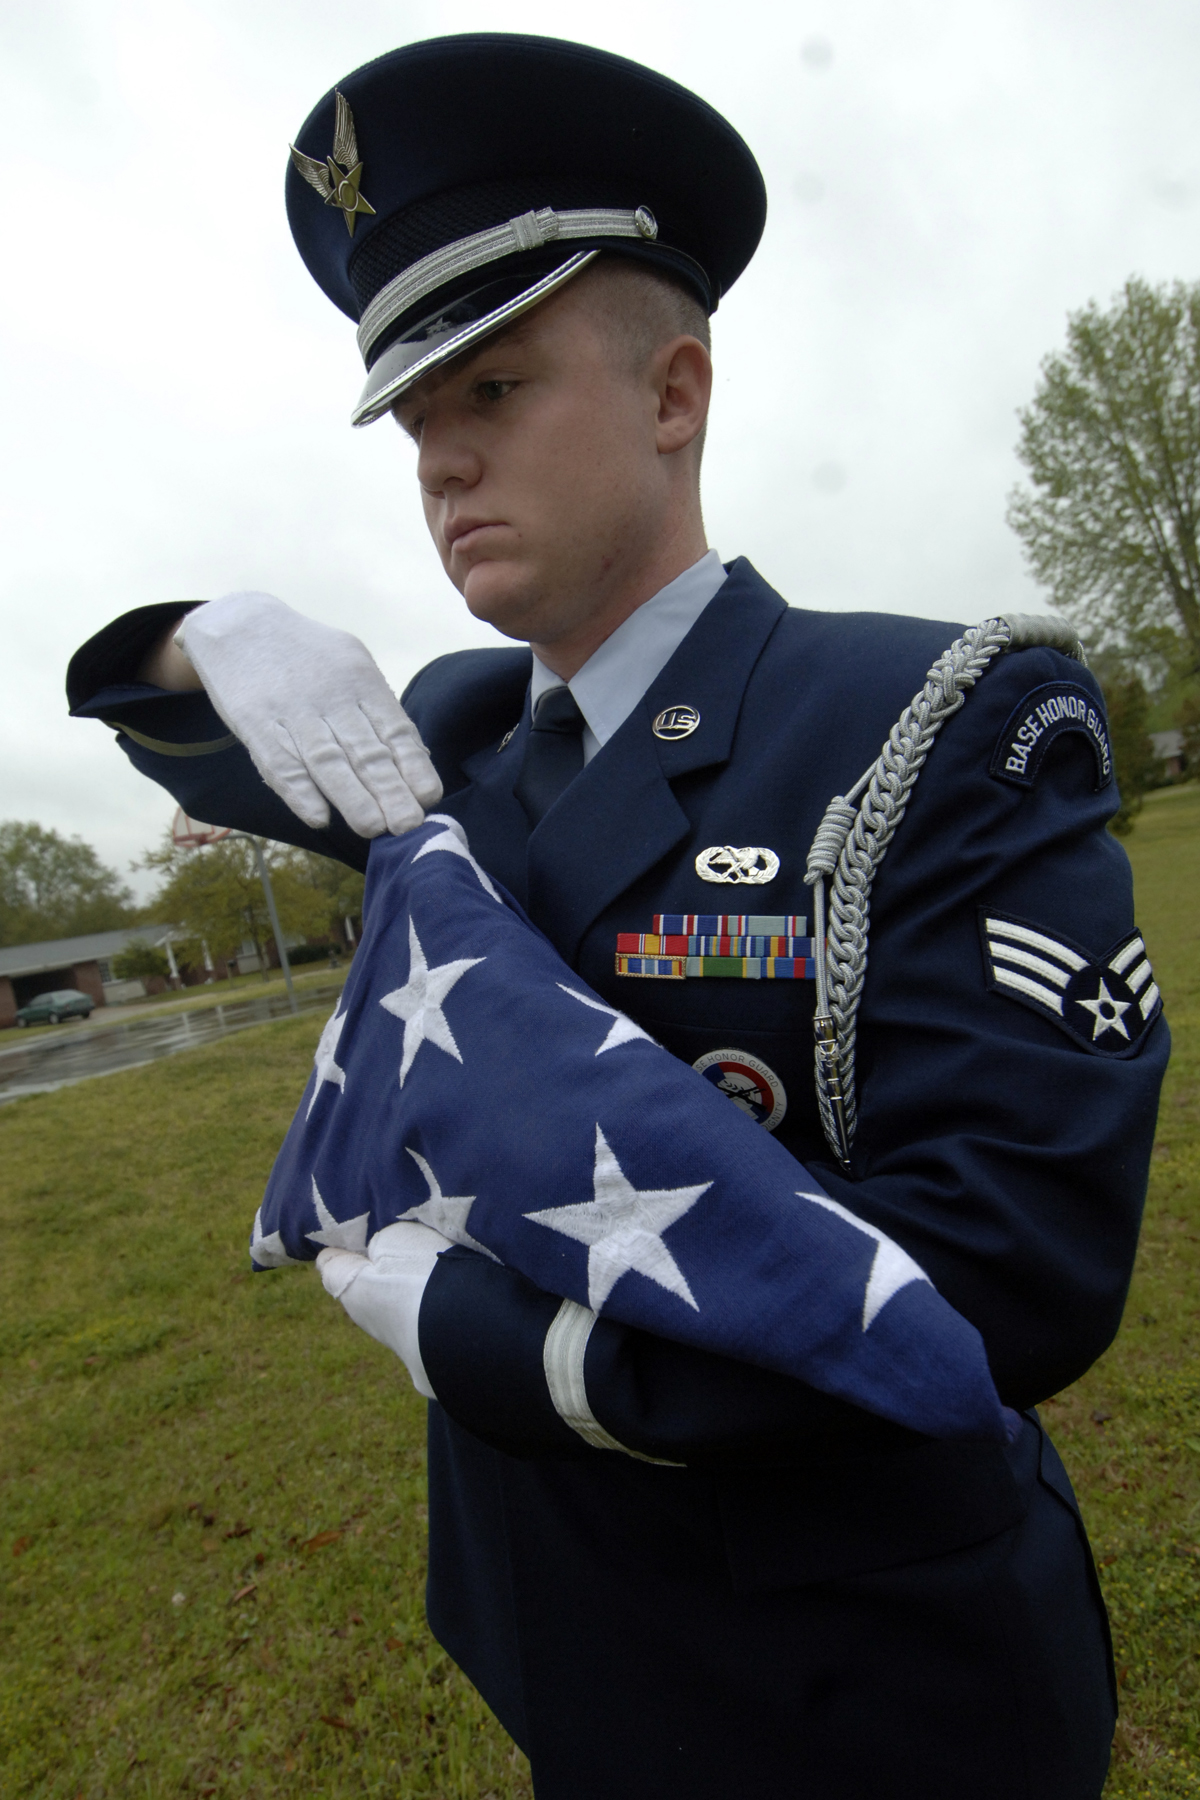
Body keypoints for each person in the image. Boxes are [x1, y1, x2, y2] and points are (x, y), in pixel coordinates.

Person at [67, 35, 1168, 1799]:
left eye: (493, 388)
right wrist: (199, 637)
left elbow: (1011, 1276)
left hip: (852, 1675)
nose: (440, 462)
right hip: (556, 1634)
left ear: (673, 396)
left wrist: (504, 1347)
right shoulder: (448, 736)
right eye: (419, 419)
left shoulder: (929, 717)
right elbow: (192, 747)